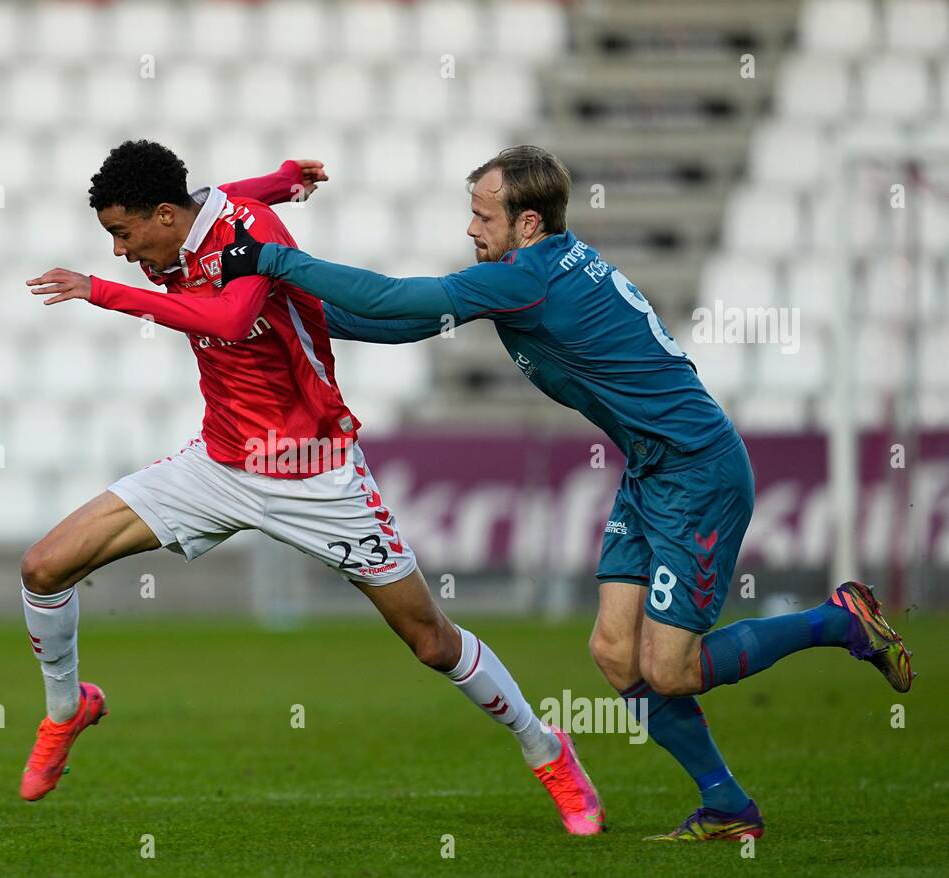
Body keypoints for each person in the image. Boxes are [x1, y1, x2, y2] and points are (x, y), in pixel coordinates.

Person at [219, 144, 915, 841]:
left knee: (670, 670)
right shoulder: (534, 271)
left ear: (526, 223)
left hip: (698, 472)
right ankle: (728, 805)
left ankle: (838, 620)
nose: (470, 229)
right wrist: (294, 311)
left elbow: (400, 298)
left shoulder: (529, 278)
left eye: (481, 215)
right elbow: (403, 321)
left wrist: (276, 262)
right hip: (652, 467)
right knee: (616, 652)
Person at [17, 140, 604, 835]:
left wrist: (101, 292)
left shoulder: (248, 238)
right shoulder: (199, 213)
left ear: (166, 216)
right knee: (44, 566)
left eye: (123, 234)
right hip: (219, 463)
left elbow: (231, 320)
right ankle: (68, 708)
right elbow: (227, 193)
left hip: (315, 473)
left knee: (430, 641)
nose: (119, 251)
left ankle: (548, 750)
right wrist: (282, 179)